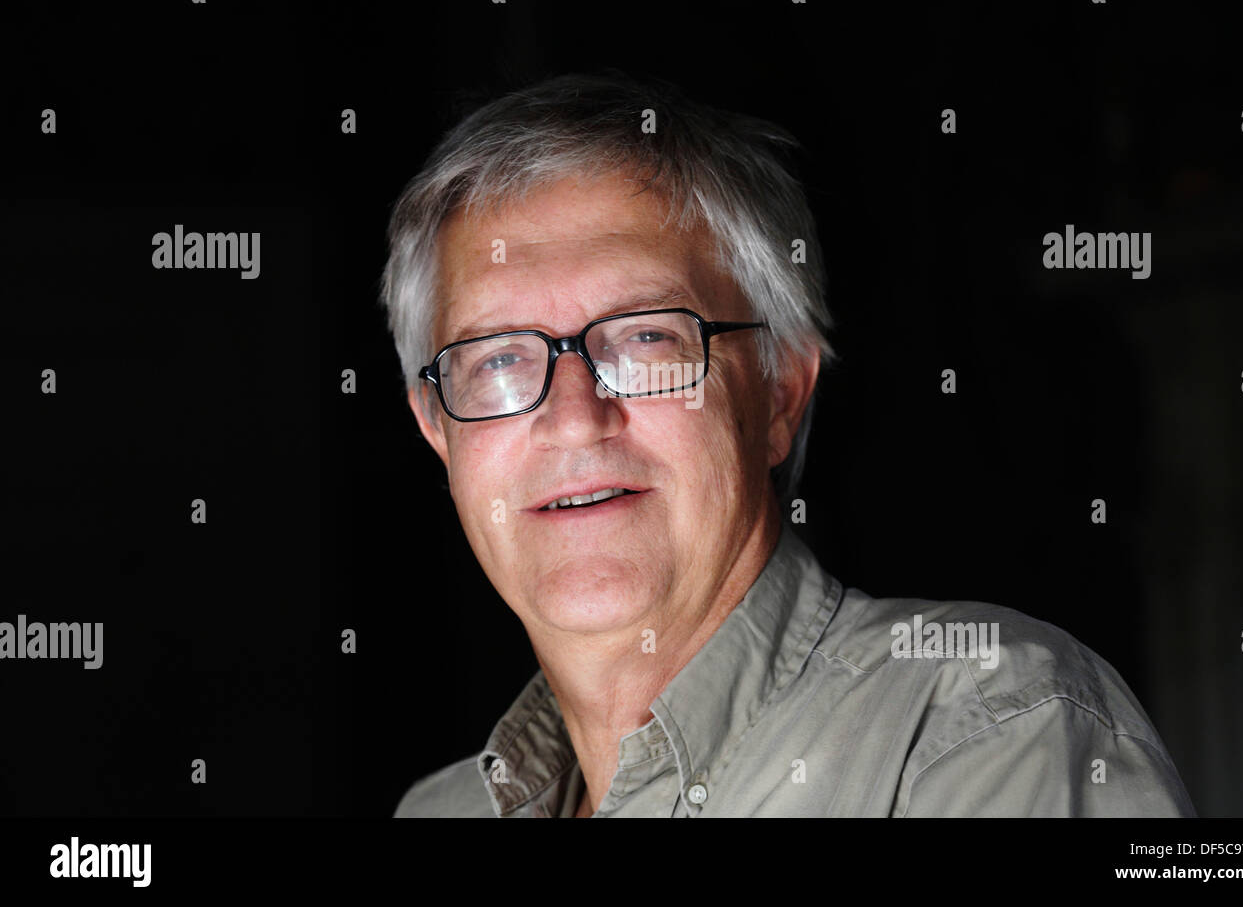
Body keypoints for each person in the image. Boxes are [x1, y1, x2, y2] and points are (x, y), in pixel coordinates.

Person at [381, 72, 1195, 817]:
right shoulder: (434, 811)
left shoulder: (988, 726)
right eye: (497, 360)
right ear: (436, 428)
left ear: (779, 391)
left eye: (646, 339)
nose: (572, 416)